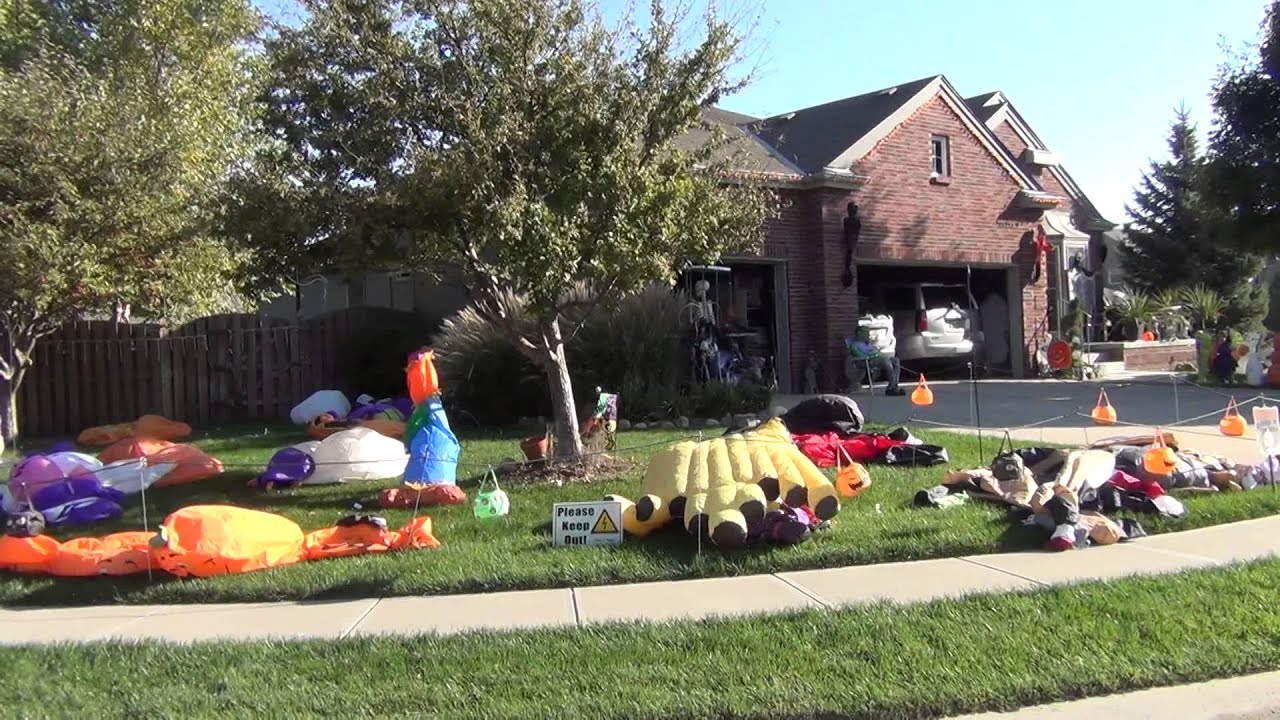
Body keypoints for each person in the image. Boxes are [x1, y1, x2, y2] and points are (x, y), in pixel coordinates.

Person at [847, 325, 904, 396]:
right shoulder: (854, 345)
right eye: (866, 332)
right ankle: (892, 387)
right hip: (864, 362)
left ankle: (893, 386)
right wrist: (874, 355)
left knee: (895, 360)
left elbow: (877, 352)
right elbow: (862, 356)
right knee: (885, 361)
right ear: (859, 333)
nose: (868, 334)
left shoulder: (868, 344)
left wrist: (876, 354)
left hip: (875, 359)